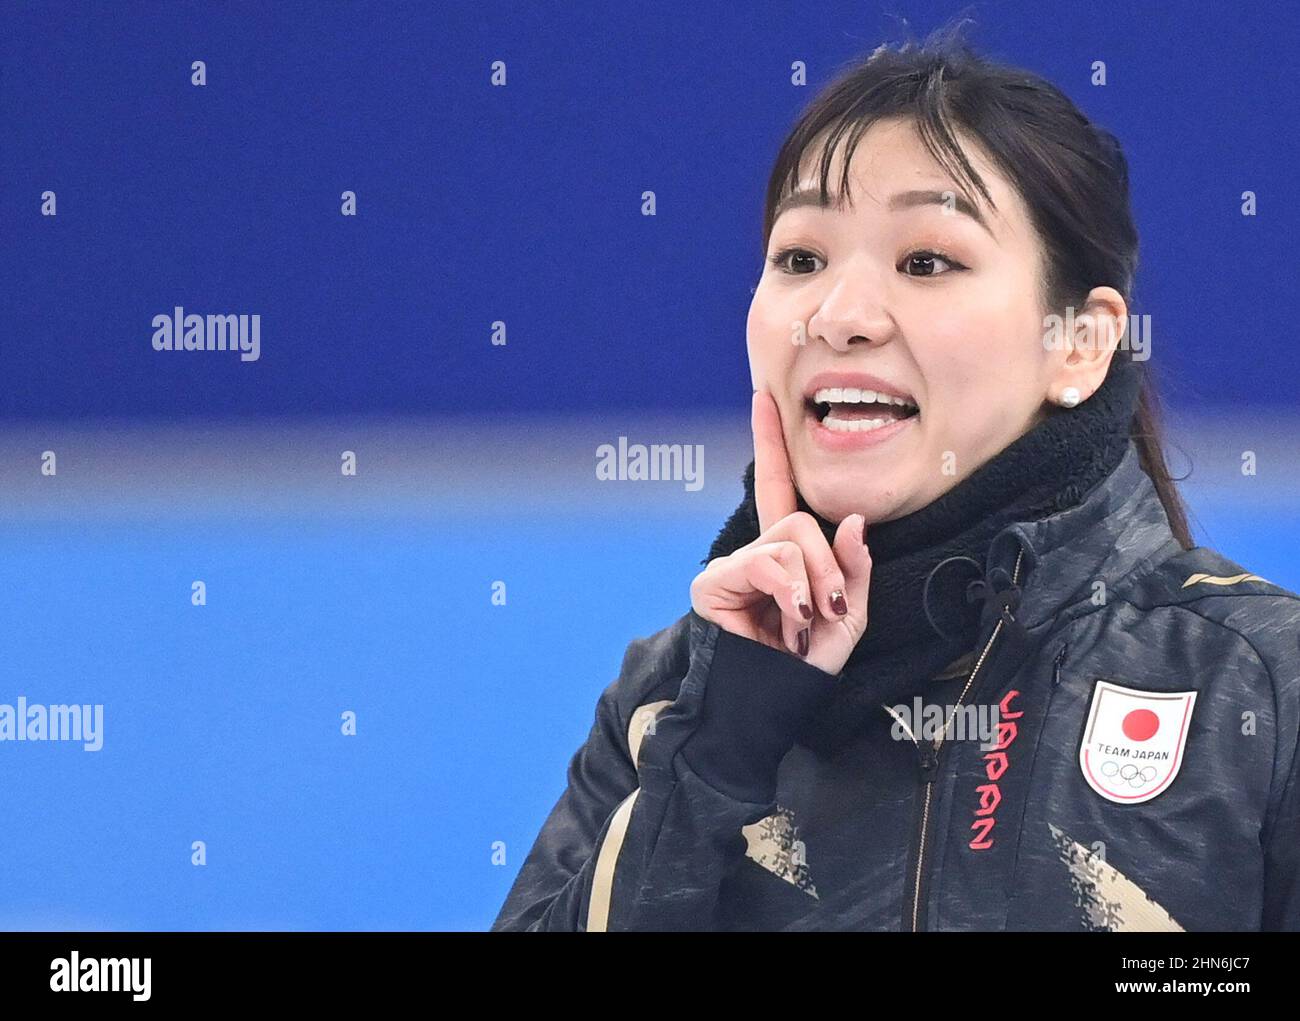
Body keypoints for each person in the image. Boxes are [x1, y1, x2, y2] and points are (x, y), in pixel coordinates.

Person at [490, 29, 1300, 931]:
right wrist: (721, 744)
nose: (839, 316)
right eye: (801, 259)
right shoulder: (675, 698)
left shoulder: (1259, 683)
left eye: (926, 262)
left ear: (1077, 341)